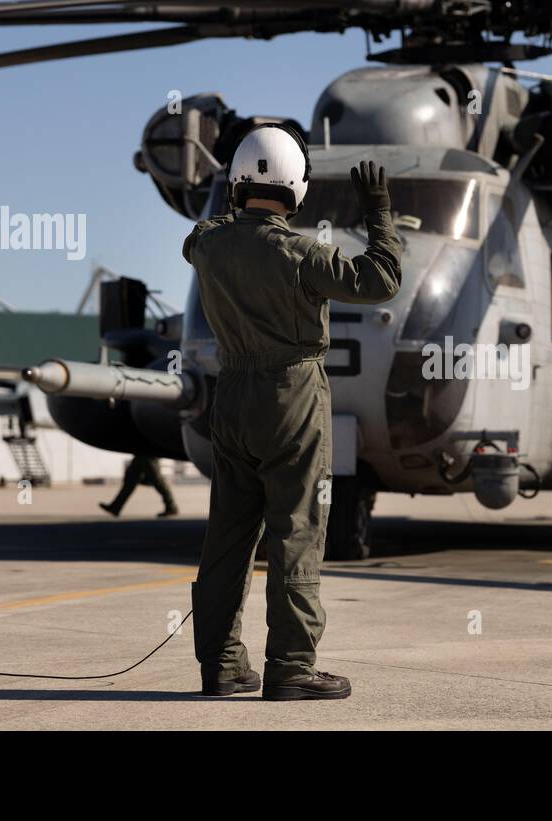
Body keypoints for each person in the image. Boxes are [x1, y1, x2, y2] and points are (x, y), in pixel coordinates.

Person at [182, 123, 401, 699]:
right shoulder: (305, 254)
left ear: (235, 186)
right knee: (296, 531)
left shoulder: (207, 242)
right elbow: (381, 281)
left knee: (228, 535)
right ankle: (291, 667)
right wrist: (378, 213)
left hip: (230, 396)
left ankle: (222, 665)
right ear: (298, 189)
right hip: (292, 397)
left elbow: (202, 232)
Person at [99, 454, 177, 518]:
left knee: (158, 482)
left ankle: (171, 507)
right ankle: (116, 506)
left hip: (148, 453)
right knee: (130, 481)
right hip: (140, 453)